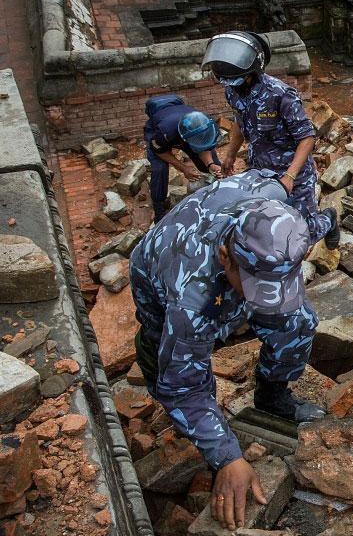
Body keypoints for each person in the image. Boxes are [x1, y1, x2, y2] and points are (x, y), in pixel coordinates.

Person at [129, 169, 326, 531]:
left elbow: (311, 220)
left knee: (297, 321)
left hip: (227, 268)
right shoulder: (191, 298)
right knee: (171, 368)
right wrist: (228, 457)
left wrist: (329, 223)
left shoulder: (276, 206)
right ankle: (205, 435)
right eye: (256, 288)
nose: (265, 300)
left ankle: (272, 396)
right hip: (158, 277)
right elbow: (183, 387)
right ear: (226, 256)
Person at [202, 31, 339, 249]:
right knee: (268, 225)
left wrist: (290, 176)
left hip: (293, 172)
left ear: (252, 72)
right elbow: (239, 121)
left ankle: (328, 219)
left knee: (305, 233)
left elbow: (306, 137)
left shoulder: (280, 94)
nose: (231, 85)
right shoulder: (233, 91)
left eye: (236, 79)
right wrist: (230, 155)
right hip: (260, 170)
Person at [142, 95, 223, 222]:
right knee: (159, 169)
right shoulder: (165, 132)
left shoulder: (203, 122)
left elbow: (204, 146)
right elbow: (160, 152)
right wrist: (183, 168)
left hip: (188, 132)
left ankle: (219, 197)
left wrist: (210, 164)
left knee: (214, 165)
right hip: (162, 134)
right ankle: (159, 211)